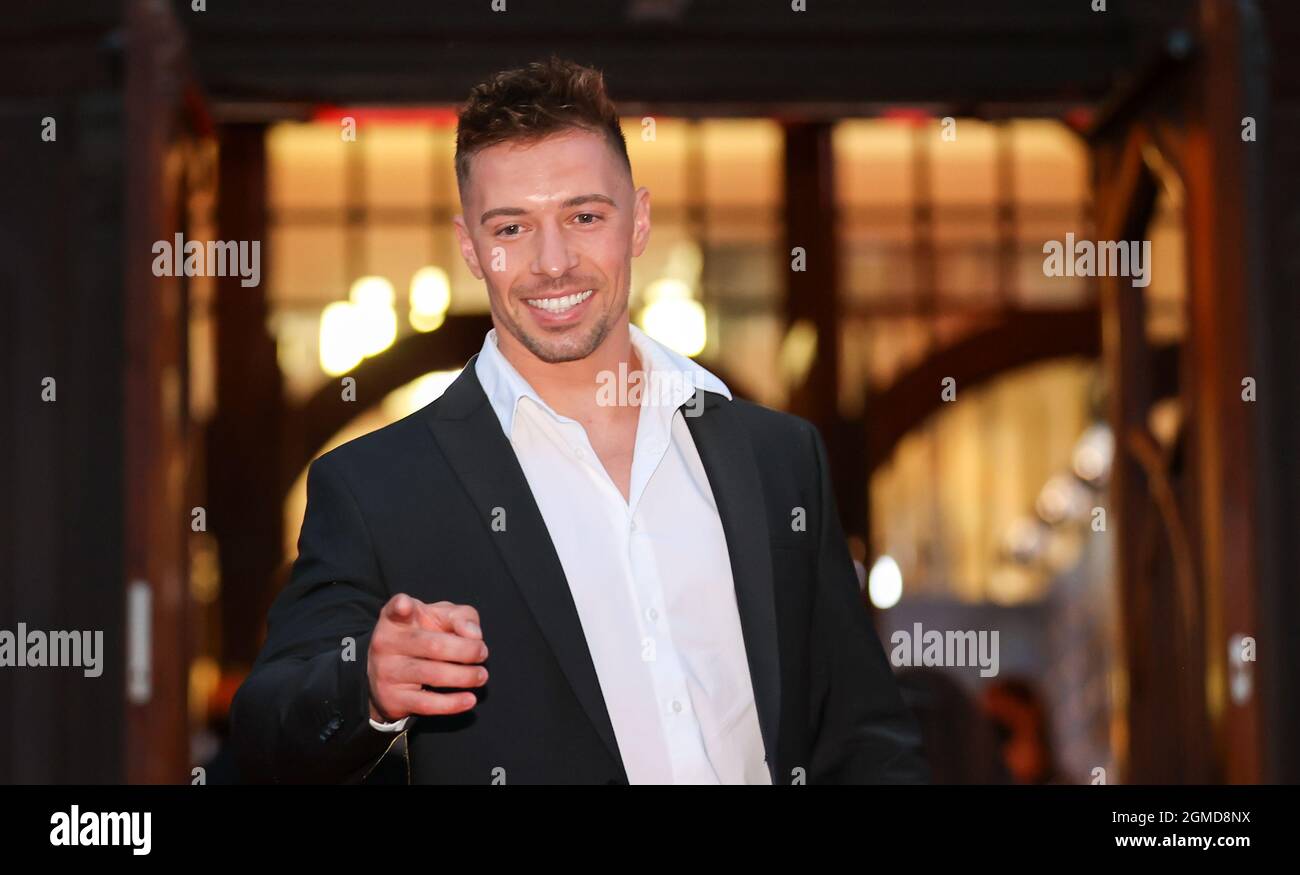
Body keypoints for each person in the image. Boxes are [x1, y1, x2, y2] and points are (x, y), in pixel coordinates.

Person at [231, 56, 929, 785]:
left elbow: (864, 733)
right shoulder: (379, 487)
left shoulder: (779, 457)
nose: (554, 262)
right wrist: (367, 688)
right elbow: (265, 729)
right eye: (512, 227)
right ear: (471, 247)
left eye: (584, 215)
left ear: (640, 219)